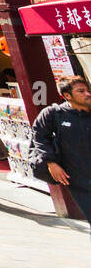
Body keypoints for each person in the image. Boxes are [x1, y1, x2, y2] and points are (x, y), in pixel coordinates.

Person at [31, 75, 91, 236]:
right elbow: (39, 135)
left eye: (87, 90)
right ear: (67, 96)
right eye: (81, 91)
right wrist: (51, 162)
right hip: (80, 180)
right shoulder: (54, 113)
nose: (87, 94)